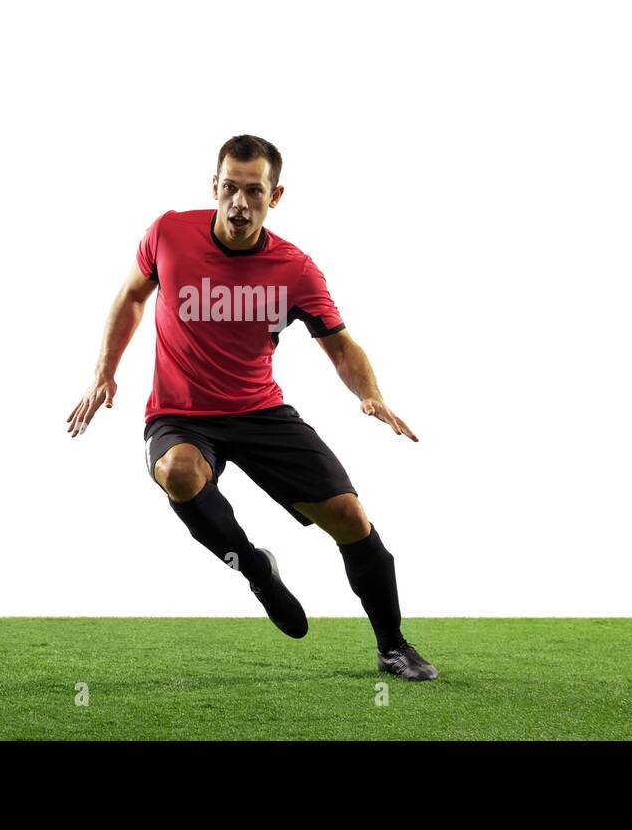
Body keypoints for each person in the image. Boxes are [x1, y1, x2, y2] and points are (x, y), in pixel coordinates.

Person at [66, 134, 437, 680]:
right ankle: (256, 568)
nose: (240, 204)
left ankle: (392, 646)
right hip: (181, 414)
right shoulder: (168, 234)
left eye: (254, 192)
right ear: (214, 187)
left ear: (275, 196)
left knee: (352, 519)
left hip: (259, 412)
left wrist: (370, 394)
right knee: (178, 472)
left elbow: (339, 344)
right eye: (231, 190)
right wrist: (104, 373)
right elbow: (132, 296)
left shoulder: (296, 269)